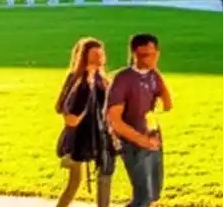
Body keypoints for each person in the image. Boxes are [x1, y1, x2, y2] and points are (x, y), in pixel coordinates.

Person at [107, 34, 173, 207]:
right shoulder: (123, 79)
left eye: (153, 54)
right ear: (134, 54)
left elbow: (168, 105)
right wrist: (140, 139)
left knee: (154, 193)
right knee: (143, 196)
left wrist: (156, 72)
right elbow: (114, 120)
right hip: (132, 142)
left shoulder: (153, 75)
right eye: (144, 55)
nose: (149, 59)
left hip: (152, 138)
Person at [55, 37, 115, 207]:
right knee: (74, 183)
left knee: (99, 177)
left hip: (97, 135)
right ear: (85, 56)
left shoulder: (101, 79)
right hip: (78, 138)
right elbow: (61, 107)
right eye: (95, 54)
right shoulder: (75, 78)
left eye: (101, 54)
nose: (99, 58)